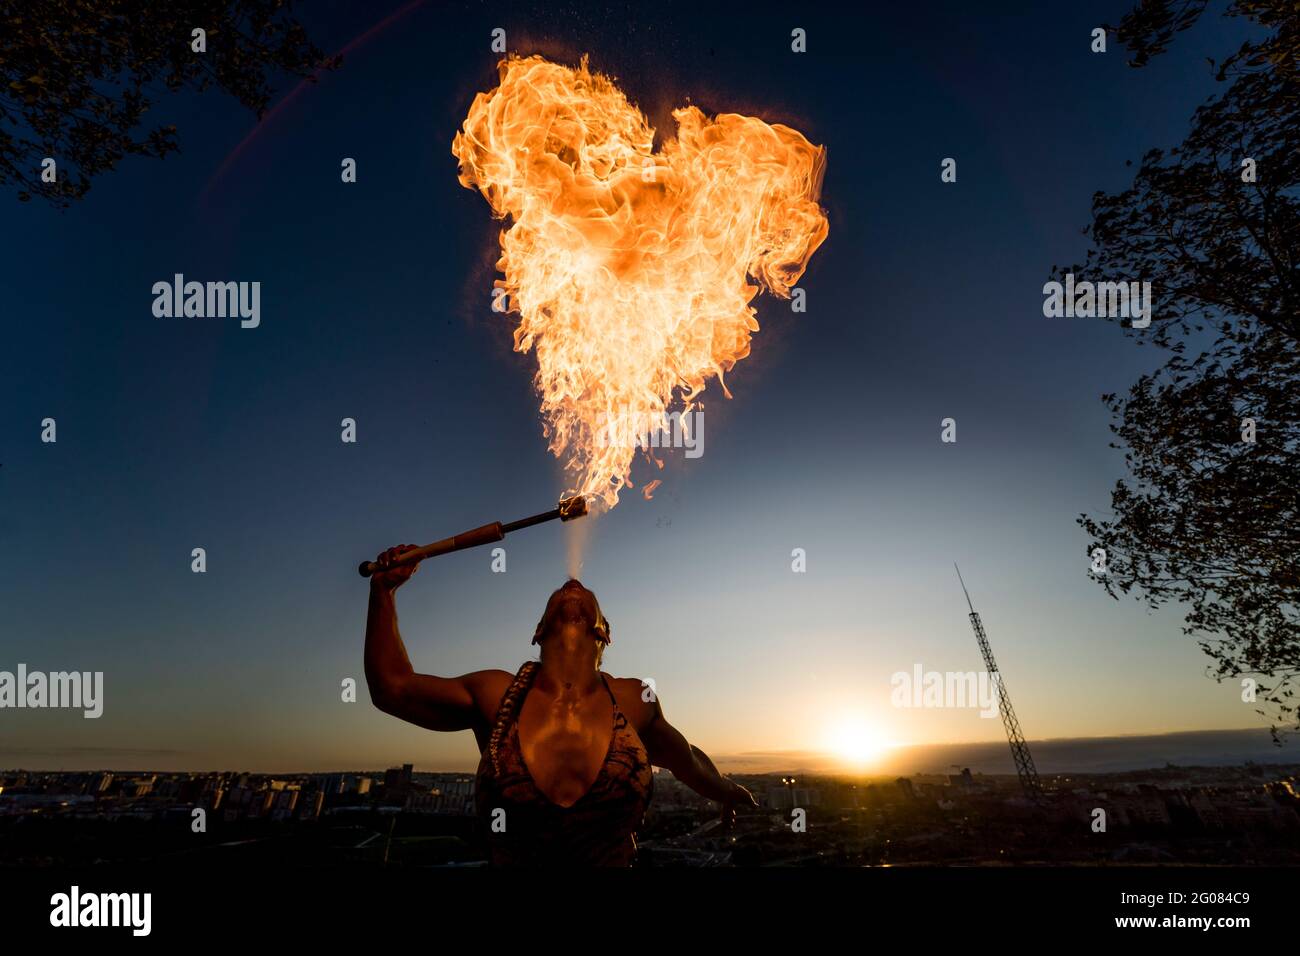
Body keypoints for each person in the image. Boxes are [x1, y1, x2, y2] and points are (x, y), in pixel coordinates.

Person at [363, 544, 757, 866]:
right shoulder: (495, 693)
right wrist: (383, 592)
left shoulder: (635, 699)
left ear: (605, 632)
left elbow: (685, 757)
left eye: (586, 594)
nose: (574, 583)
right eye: (559, 594)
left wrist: (725, 788)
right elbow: (392, 689)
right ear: (538, 631)